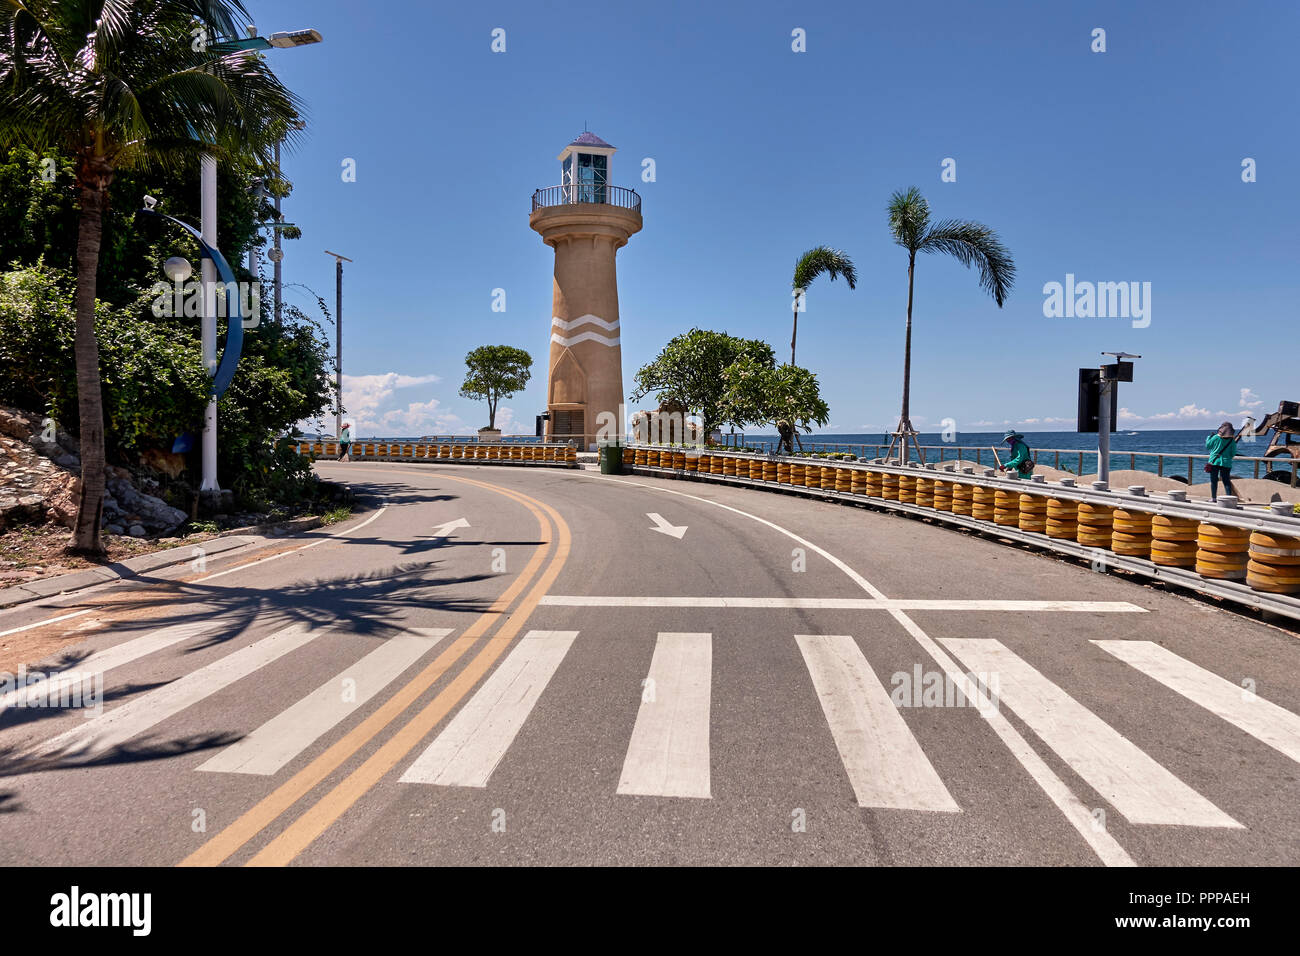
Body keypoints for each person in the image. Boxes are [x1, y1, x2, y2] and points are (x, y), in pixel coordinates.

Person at [1205, 421, 1244, 501]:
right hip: (1226, 462)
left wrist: (1209, 437)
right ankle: (1229, 499)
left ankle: (1213, 498)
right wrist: (1227, 457)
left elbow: (1208, 446)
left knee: (1214, 481)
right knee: (1226, 481)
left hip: (1214, 461)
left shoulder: (1215, 437)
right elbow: (1233, 453)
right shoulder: (1231, 440)